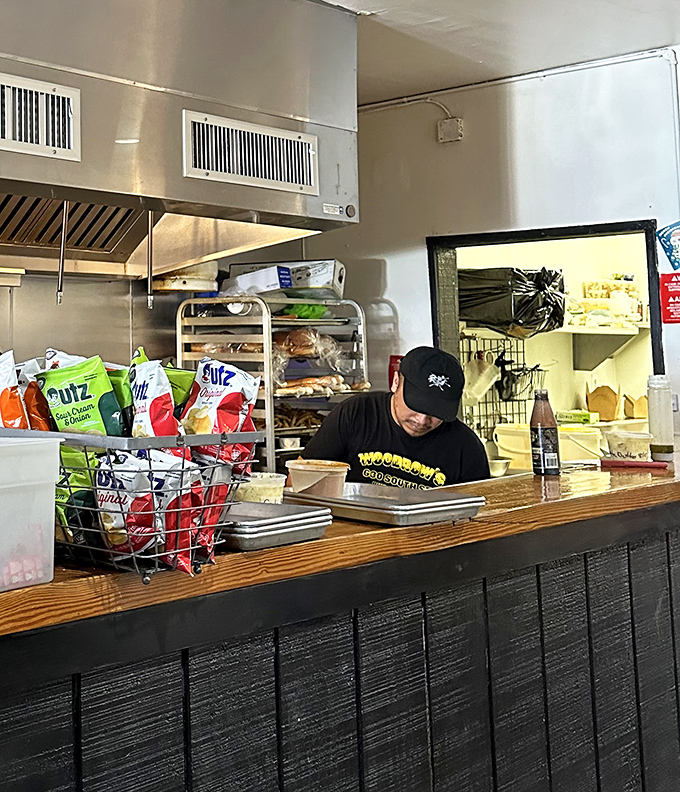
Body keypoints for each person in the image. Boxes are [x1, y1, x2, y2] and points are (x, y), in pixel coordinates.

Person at [301, 346, 490, 488]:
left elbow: (482, 515)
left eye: (435, 412)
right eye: (415, 406)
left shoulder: (466, 448)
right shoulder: (356, 414)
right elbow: (301, 482)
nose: (422, 420)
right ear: (395, 382)